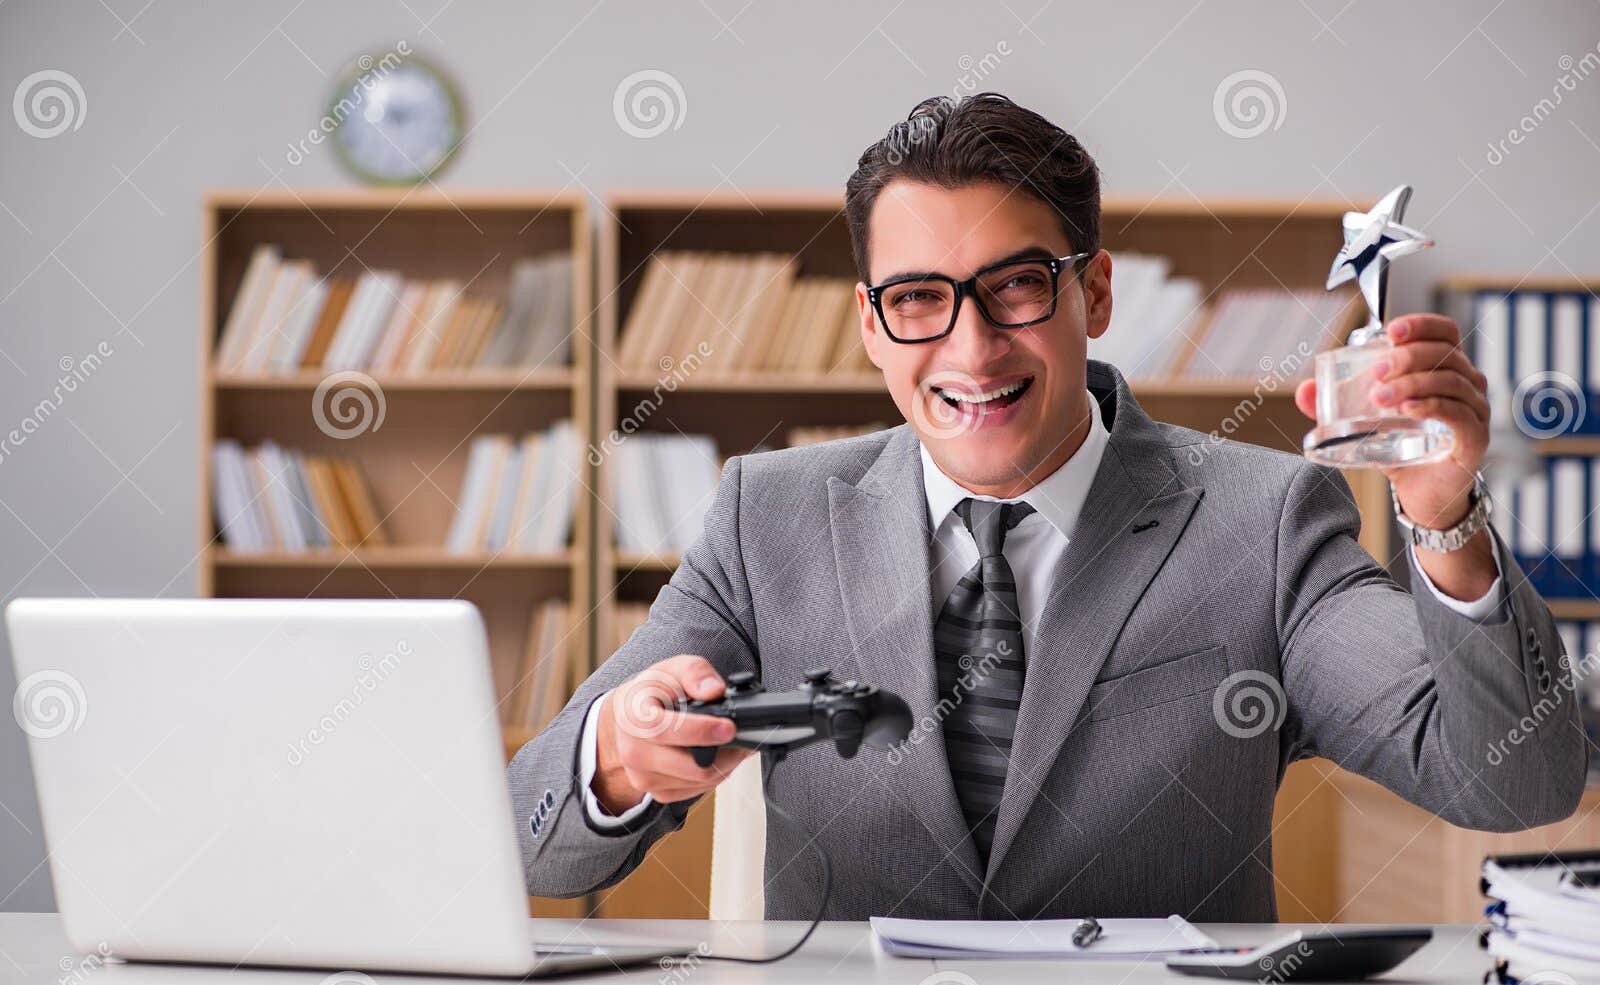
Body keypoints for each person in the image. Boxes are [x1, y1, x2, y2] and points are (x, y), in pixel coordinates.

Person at [509, 93, 1584, 921]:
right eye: (918, 299)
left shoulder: (1264, 519)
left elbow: (1513, 784)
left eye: (1017, 285)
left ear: (1094, 293)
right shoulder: (769, 519)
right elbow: (528, 839)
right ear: (871, 326)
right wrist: (618, 758)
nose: (972, 348)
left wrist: (1443, 513)